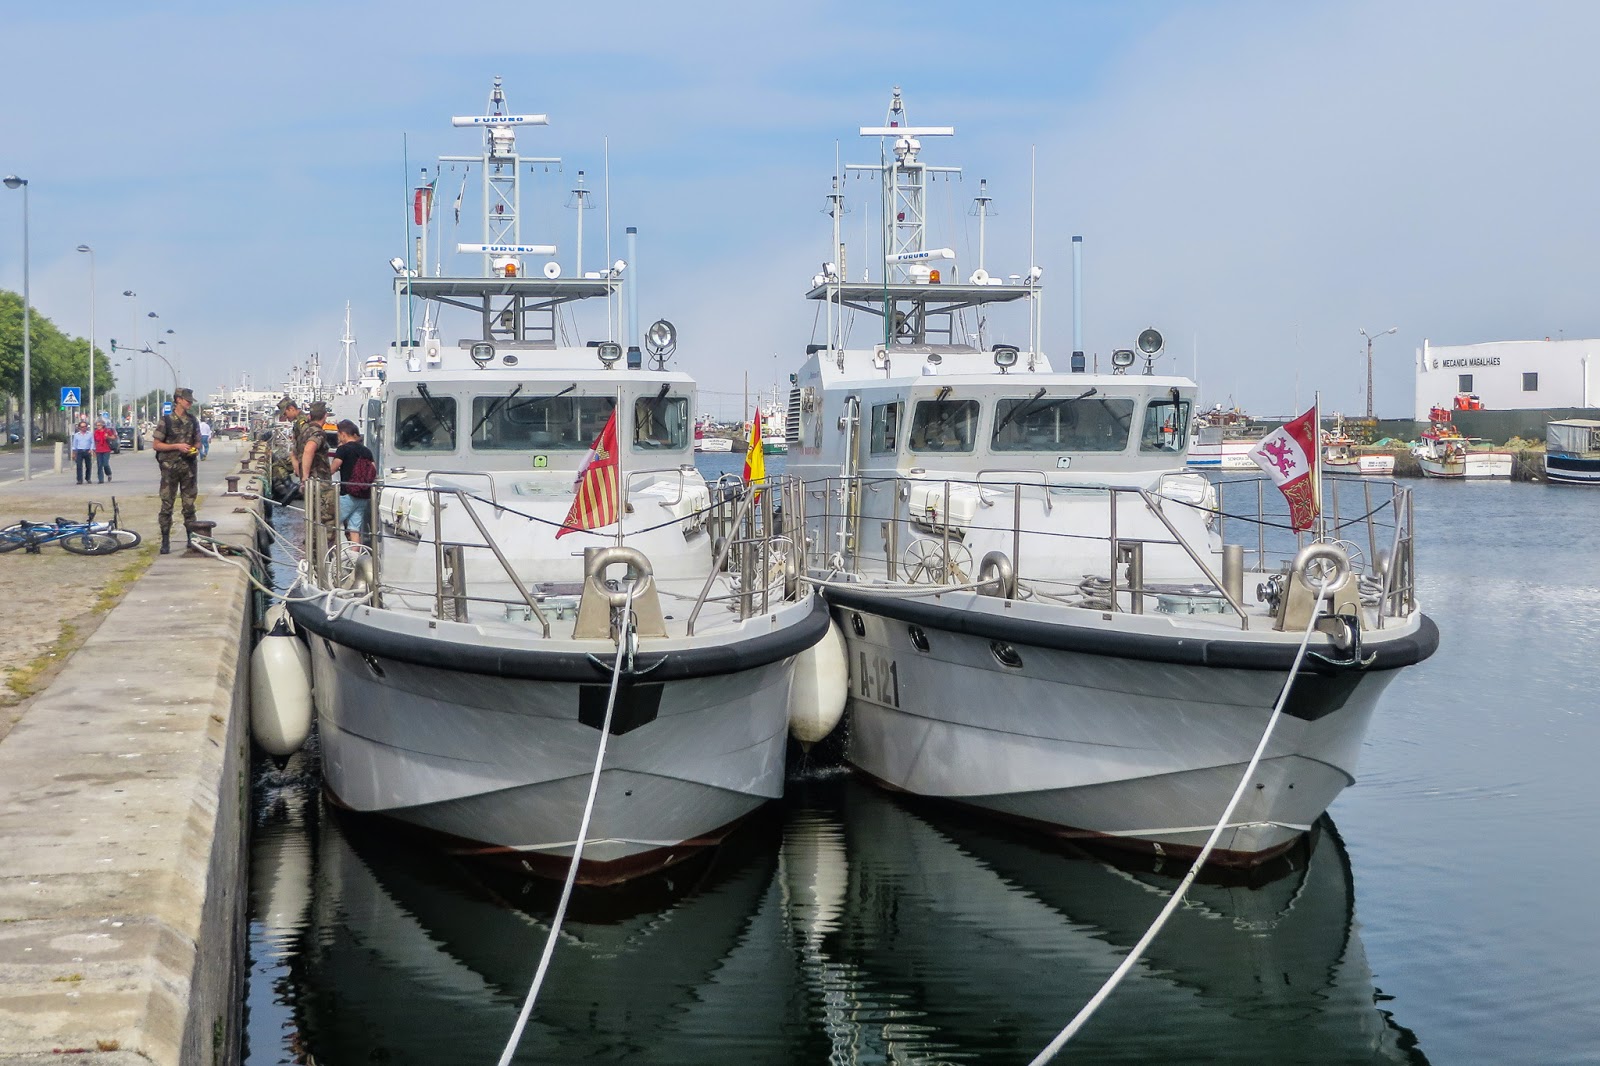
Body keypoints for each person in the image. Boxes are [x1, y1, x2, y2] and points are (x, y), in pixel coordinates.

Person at [152, 387, 202, 554]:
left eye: (190, 401)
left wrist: (195, 449)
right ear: (178, 400)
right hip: (169, 469)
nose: (189, 403)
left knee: (189, 505)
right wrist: (177, 446)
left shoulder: (192, 420)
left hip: (188, 468)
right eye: (187, 400)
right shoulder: (166, 420)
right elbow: (157, 445)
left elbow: (198, 441)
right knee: (167, 505)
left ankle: (191, 539)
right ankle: (165, 541)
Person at [329, 419, 376, 545]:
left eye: (339, 435)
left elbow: (333, 468)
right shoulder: (366, 451)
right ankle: (354, 555)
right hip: (363, 495)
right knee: (354, 529)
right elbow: (373, 469)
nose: (338, 438)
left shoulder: (343, 449)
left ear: (343, 434)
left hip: (347, 494)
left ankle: (327, 552)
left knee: (331, 524)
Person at [294, 400, 336, 535]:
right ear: (325, 416)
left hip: (310, 485)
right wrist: (305, 476)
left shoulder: (304, 432)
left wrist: (300, 473)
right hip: (320, 484)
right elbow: (309, 449)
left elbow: (293, 454)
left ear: (310, 416)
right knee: (328, 522)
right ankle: (326, 548)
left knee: (312, 521)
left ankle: (312, 547)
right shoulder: (318, 433)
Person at [70, 420, 94, 484]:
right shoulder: (76, 435)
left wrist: (91, 449)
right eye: (82, 427)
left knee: (88, 466)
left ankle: (88, 478)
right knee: (79, 466)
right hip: (79, 451)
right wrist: (74, 453)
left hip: (87, 451)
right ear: (79, 428)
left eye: (85, 426)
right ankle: (79, 480)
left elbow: (92, 442)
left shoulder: (90, 434)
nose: (84, 428)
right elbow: (74, 444)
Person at [93, 417, 116, 483]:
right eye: (97, 425)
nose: (98, 426)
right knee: (99, 465)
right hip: (98, 450)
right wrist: (93, 450)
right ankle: (100, 479)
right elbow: (94, 441)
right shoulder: (95, 432)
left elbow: (113, 437)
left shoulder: (107, 431)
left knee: (105, 464)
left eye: (99, 425)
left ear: (103, 425)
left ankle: (109, 474)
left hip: (106, 450)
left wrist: (108, 436)